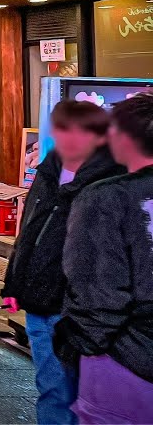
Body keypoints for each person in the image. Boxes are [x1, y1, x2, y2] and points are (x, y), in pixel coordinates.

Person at [2, 101, 120, 425]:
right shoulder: (49, 168)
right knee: (53, 389)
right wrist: (13, 282)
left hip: (81, 307)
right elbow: (30, 229)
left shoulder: (111, 180)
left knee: (87, 395)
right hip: (40, 301)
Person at [55, 93, 153, 423]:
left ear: (124, 137)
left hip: (127, 358)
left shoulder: (106, 197)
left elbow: (96, 288)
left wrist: (82, 343)